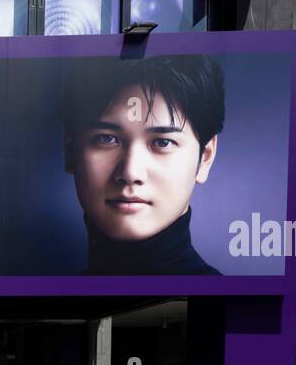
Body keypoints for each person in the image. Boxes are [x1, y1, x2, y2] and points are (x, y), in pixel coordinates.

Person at [61, 54, 225, 275]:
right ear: (71, 151)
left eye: (163, 142)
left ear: (205, 157)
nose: (130, 172)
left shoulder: (230, 307)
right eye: (106, 138)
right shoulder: (40, 307)